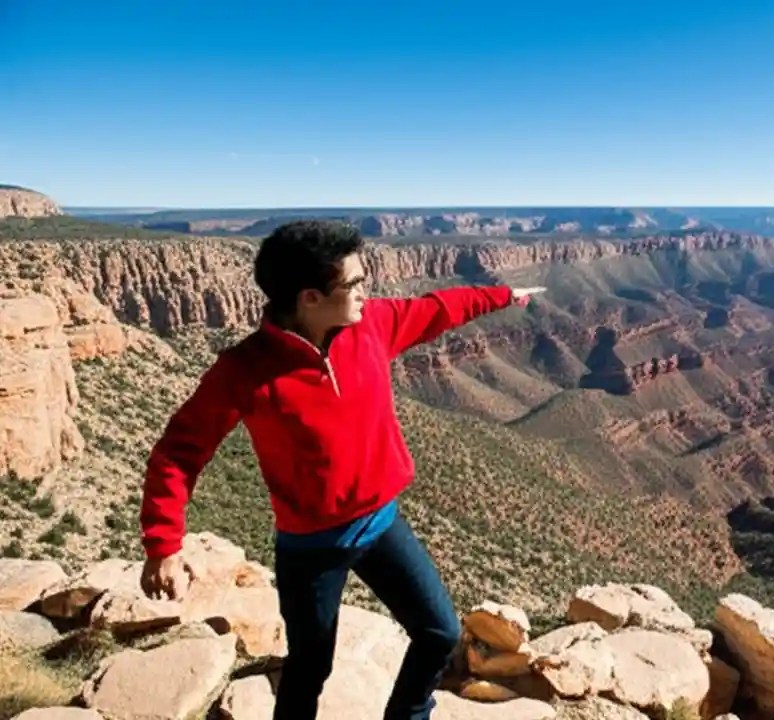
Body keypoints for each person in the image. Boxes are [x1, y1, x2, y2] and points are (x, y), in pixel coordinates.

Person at [137, 219, 538, 720]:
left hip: (381, 524)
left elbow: (437, 309)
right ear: (309, 297)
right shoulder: (244, 370)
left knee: (440, 632)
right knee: (309, 667)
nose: (367, 293)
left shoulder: (372, 326)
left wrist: (502, 294)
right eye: (354, 283)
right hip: (311, 548)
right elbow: (178, 452)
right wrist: (164, 545)